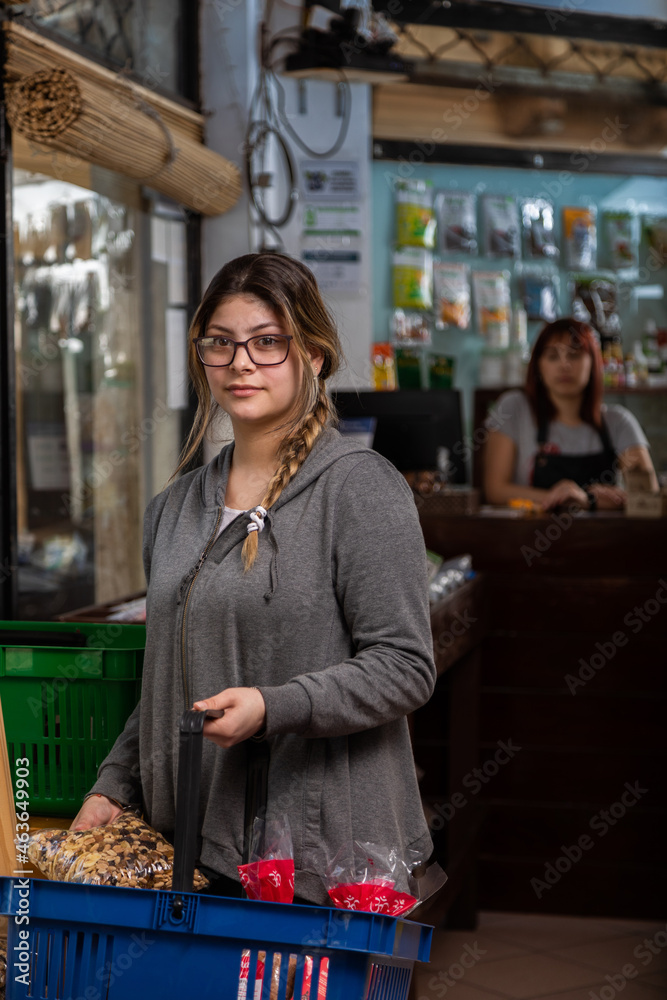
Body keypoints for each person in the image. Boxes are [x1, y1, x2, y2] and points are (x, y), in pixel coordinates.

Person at [70, 251, 437, 904]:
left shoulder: (359, 489)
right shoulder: (173, 508)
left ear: (314, 356)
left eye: (268, 342)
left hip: (319, 862)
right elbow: (166, 679)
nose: (241, 362)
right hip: (196, 844)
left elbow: (404, 666)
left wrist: (273, 707)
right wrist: (113, 786)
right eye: (221, 343)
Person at [483, 318, 658, 510]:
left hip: (601, 531)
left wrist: (586, 499)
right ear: (538, 365)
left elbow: (647, 496)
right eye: (552, 356)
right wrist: (570, 498)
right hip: (529, 528)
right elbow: (495, 490)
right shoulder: (514, 408)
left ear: (593, 363)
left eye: (574, 355)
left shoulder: (619, 422)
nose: (564, 365)